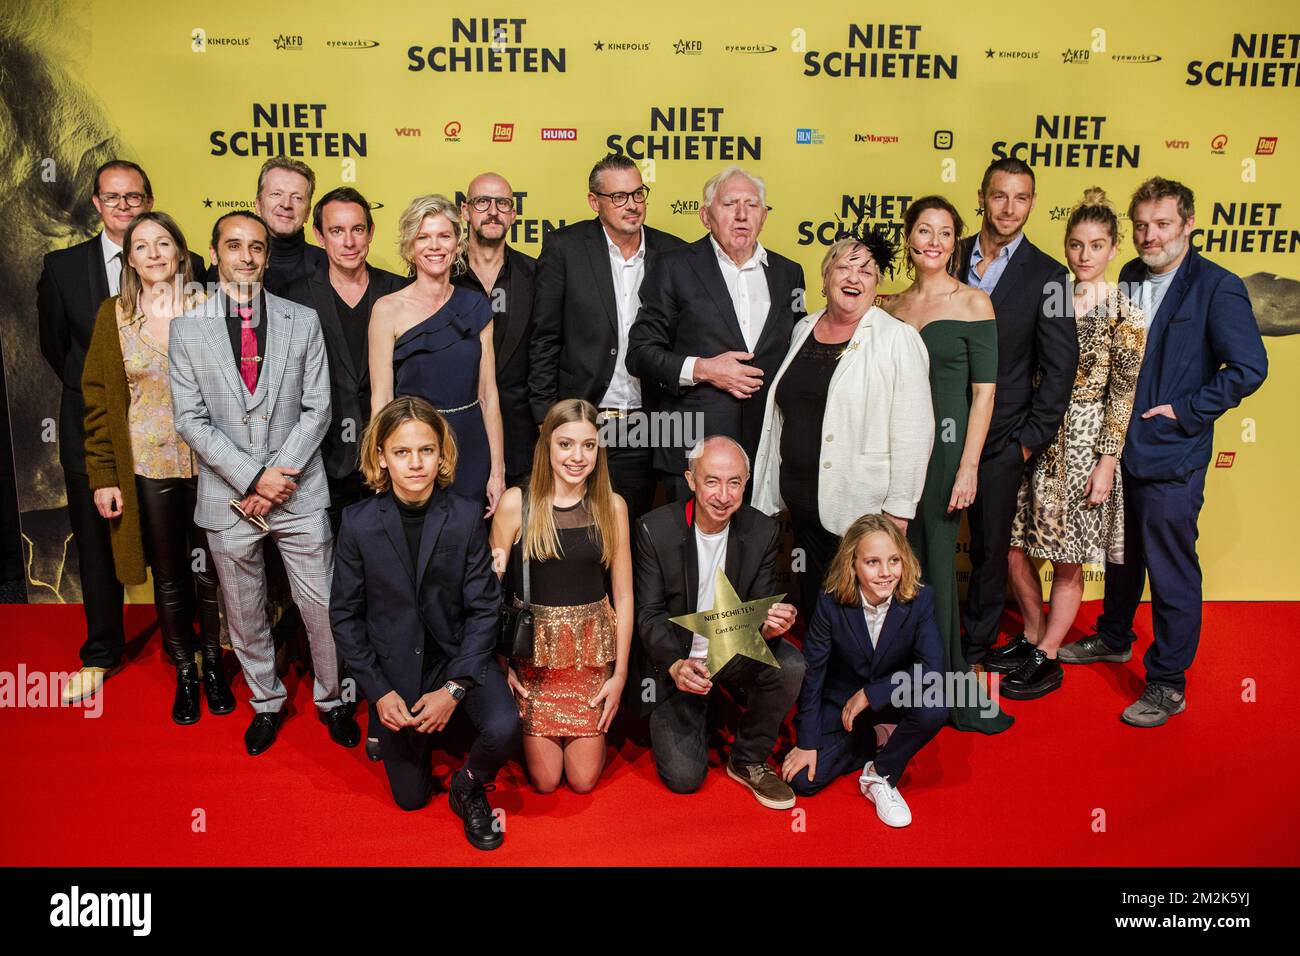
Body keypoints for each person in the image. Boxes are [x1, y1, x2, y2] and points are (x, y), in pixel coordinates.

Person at [1057, 177, 1268, 727]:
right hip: (1118, 448)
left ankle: (1168, 683)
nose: (1151, 236)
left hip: (1173, 453)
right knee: (1121, 554)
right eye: (1143, 226)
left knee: (1171, 568)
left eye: (1163, 224)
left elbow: (1249, 368)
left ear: (1188, 225)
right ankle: (1114, 636)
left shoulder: (1216, 286)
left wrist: (1185, 411)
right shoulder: (1127, 275)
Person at [168, 210, 360, 756]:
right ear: (215, 254)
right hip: (228, 498)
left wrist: (278, 477)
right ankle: (266, 702)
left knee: (321, 602)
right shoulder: (187, 331)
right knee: (245, 608)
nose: (247, 256)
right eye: (234, 245)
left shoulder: (302, 321)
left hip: (299, 492)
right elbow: (190, 419)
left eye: (256, 247)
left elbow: (318, 408)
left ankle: (332, 699)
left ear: (266, 256)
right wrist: (253, 477)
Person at [37, 159, 206, 704]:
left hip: (182, 446)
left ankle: (202, 648)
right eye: (113, 198)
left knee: (186, 552)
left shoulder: (195, 273)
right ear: (96, 204)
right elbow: (57, 348)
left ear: (150, 201)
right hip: (102, 428)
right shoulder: (64, 268)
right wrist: (111, 399)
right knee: (99, 546)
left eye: (135, 197)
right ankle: (102, 652)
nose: (125, 207)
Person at [331, 397, 520, 850]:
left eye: (426, 450)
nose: (416, 463)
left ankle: (467, 786)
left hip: (457, 656)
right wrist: (379, 692)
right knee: (411, 800)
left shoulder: (465, 515)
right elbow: (344, 615)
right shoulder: (357, 524)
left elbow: (483, 607)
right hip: (397, 670)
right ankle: (397, 732)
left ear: (442, 454)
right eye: (402, 452)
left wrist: (455, 688)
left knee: (504, 725)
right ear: (381, 456)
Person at [81, 210, 232, 724]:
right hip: (150, 462)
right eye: (141, 246)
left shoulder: (214, 306)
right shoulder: (114, 316)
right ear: (130, 258)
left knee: (210, 570)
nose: (153, 254)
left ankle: (214, 665)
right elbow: (99, 400)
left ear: (179, 250)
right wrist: (103, 474)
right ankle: (185, 673)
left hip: (214, 462)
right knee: (170, 575)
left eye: (162, 243)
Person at [998, 190, 1147, 699]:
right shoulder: (1052, 293)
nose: (1084, 256)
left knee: (1067, 559)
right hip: (1039, 433)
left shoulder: (1127, 312)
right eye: (1077, 245)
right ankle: (1032, 635)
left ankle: (1049, 652)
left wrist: (1107, 462)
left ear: (1114, 248)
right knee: (1015, 550)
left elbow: (1121, 397)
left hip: (1085, 442)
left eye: (1097, 245)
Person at [753, 233, 933, 620]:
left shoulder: (897, 338)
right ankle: (825, 669)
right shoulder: (803, 329)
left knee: (864, 603)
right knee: (821, 598)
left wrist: (899, 509)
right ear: (825, 277)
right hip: (803, 498)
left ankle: (865, 678)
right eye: (844, 267)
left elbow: (915, 430)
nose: (854, 277)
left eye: (866, 270)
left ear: (877, 284)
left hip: (862, 501)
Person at [882, 196, 1010, 733]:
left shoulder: (975, 303)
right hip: (893, 453)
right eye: (924, 230)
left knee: (933, 568)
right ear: (909, 238)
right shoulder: (890, 307)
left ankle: (940, 685)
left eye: (945, 232)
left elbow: (984, 395)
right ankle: (895, 682)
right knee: (895, 567)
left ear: (955, 241)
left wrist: (969, 466)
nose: (934, 241)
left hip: (944, 455)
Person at [635, 435, 804, 808]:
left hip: (732, 654)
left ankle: (748, 758)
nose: (724, 495)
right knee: (684, 779)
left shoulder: (761, 530)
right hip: (678, 662)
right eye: (712, 481)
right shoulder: (654, 530)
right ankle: (698, 712)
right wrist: (676, 665)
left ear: (747, 483)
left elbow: (760, 609)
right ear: (691, 480)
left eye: (735, 483)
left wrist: (770, 625)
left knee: (790, 664)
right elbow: (648, 615)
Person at [959, 159, 1077, 671]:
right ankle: (924, 630)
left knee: (988, 548)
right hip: (934, 425)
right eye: (1000, 195)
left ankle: (974, 644)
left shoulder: (1049, 275)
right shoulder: (949, 253)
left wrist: (1029, 440)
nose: (1009, 208)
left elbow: (1060, 366)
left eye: (1021, 197)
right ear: (981, 196)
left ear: (1032, 203)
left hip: (1003, 435)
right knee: (926, 536)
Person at [626, 166, 806, 499]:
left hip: (765, 450)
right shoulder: (673, 266)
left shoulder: (788, 274)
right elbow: (640, 354)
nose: (741, 215)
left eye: (751, 205)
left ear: (764, 216)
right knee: (691, 550)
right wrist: (706, 370)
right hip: (692, 449)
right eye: (729, 204)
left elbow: (798, 355)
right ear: (705, 215)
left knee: (754, 548)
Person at [529, 153, 685, 524]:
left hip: (649, 422)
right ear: (594, 201)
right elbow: (544, 339)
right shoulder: (565, 249)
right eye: (618, 197)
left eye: (638, 194)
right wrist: (545, 416)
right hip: (583, 423)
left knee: (633, 530)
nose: (631, 205)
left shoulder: (675, 252)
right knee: (579, 530)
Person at [489, 399, 632, 793]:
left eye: (589, 445)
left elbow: (624, 595)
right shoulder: (516, 504)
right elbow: (490, 593)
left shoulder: (612, 506)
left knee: (584, 781)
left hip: (589, 658)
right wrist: (502, 666)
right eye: (566, 444)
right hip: (534, 659)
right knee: (547, 781)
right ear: (546, 446)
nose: (577, 456)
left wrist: (619, 676)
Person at [781, 515, 946, 828]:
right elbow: (813, 671)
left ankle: (880, 773)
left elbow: (933, 669)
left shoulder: (921, 598)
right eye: (872, 562)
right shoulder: (830, 601)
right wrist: (806, 740)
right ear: (852, 563)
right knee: (802, 780)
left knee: (935, 705)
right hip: (842, 702)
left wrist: (872, 693)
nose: (886, 572)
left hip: (893, 697)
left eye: (894, 560)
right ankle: (875, 738)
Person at [369, 195, 505, 514]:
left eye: (444, 236)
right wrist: (382, 461)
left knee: (468, 543)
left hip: (471, 445)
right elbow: (382, 398)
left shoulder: (476, 306)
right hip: (413, 449)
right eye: (423, 237)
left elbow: (488, 395)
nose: (435, 246)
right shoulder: (387, 310)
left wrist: (497, 471)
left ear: (457, 243)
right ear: (410, 246)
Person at [282, 187, 408, 529]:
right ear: (319, 236)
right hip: (323, 460)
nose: (349, 241)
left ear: (370, 232)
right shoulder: (295, 297)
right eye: (337, 231)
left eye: (357, 229)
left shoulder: (400, 291)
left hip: (389, 454)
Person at [456, 172, 538, 490]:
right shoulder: (441, 276)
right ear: (465, 210)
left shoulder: (536, 275)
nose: (493, 211)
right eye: (482, 202)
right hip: (456, 436)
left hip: (524, 440)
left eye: (503, 203)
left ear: (514, 213)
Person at [253, 156, 327, 295]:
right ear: (258, 205)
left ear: (307, 212)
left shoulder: (329, 265)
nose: (286, 204)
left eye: (297, 198)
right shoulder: (231, 263)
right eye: (276, 194)